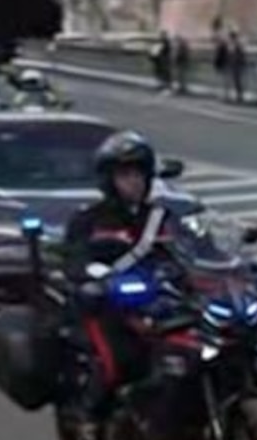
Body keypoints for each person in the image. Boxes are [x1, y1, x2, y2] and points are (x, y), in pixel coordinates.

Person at [59, 132, 172, 407]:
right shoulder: (90, 219)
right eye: (125, 175)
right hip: (113, 304)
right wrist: (91, 275)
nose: (134, 182)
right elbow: (74, 258)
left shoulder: (163, 216)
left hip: (163, 299)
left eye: (139, 174)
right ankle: (93, 414)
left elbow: (197, 245)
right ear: (110, 180)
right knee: (118, 361)